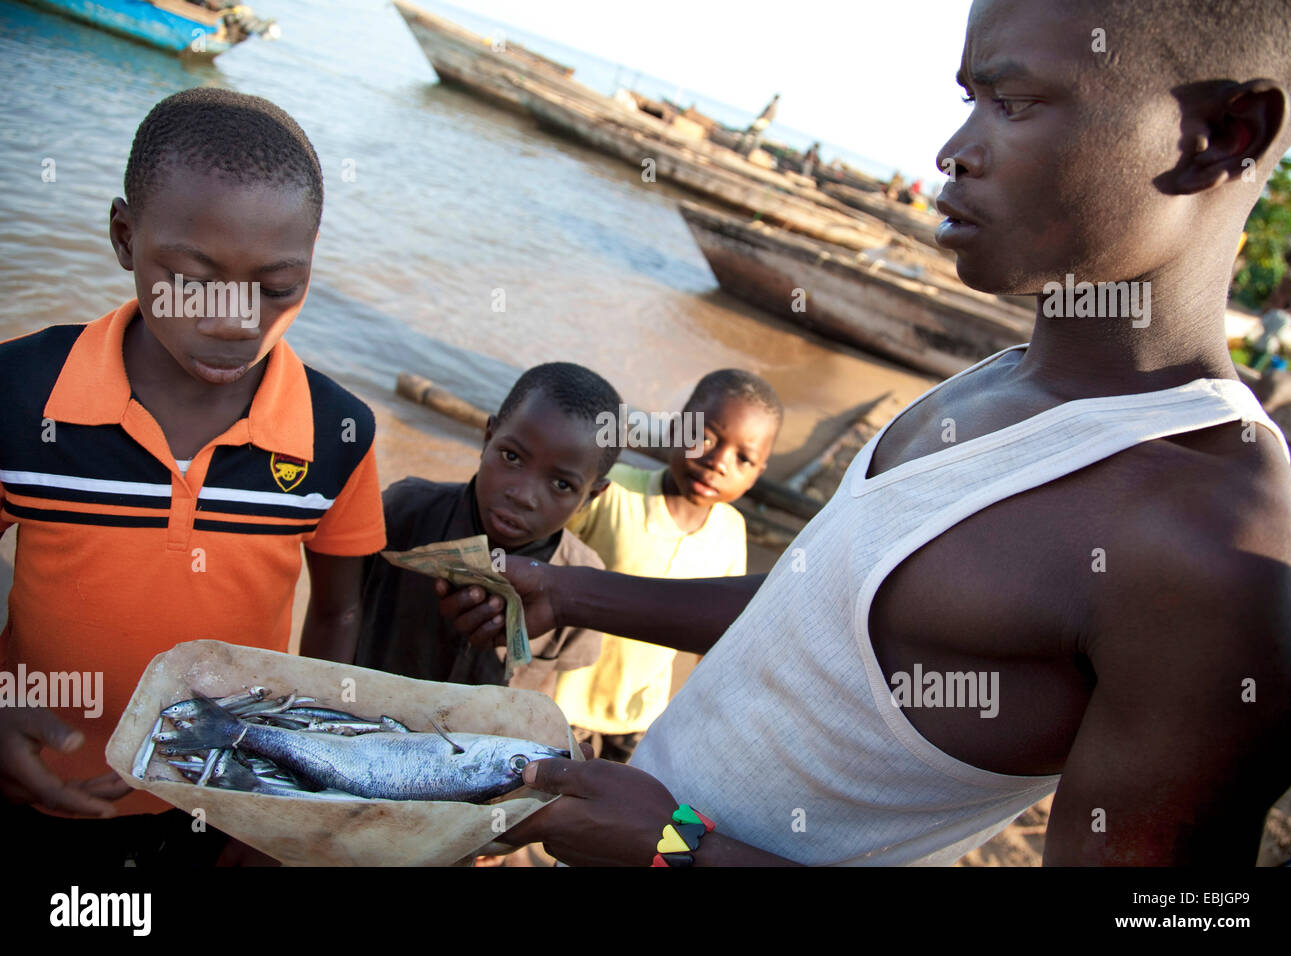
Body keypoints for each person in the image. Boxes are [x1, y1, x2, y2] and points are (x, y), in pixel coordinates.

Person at [439, 0, 1291, 866]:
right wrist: (574, 595)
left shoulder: (1210, 548)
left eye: (1015, 103)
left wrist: (675, 844)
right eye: (969, 98)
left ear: (1224, 134)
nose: (955, 150)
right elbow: (823, 615)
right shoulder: (1001, 384)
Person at [0, 88, 386, 864]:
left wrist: (287, 785)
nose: (234, 319)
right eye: (191, 276)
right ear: (123, 236)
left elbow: (337, 615)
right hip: (28, 773)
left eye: (278, 287)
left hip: (214, 796)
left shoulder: (337, 433)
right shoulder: (20, 393)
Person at [552, 370, 782, 762]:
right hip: (559, 700)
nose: (718, 462)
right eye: (705, 437)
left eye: (743, 458)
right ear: (676, 427)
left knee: (607, 806)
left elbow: (715, 624)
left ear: (757, 473)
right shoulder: (612, 490)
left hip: (638, 714)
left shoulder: (730, 530)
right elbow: (544, 552)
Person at [353, 363, 616, 695]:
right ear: (487, 438)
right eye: (511, 456)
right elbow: (342, 612)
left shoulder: (581, 581)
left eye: (562, 484)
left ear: (591, 497)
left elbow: (548, 689)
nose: (522, 495)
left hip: (487, 743)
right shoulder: (403, 511)